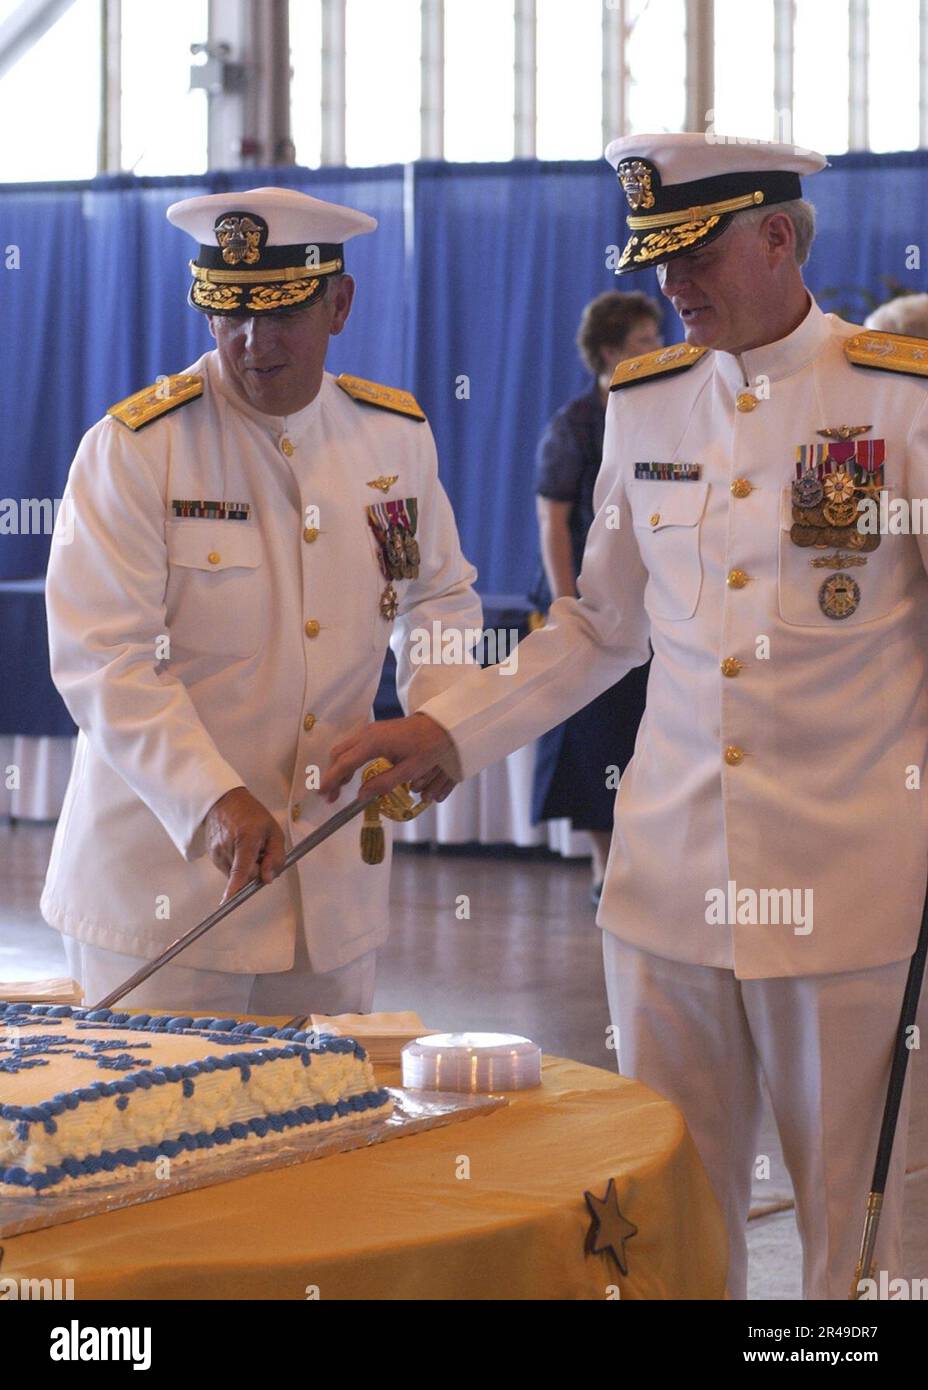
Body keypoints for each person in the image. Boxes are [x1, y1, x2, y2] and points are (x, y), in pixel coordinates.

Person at [320, 135, 928, 1300]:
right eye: (657, 259)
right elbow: (600, 626)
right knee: (663, 1225)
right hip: (666, 888)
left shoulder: (896, 398)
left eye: (694, 253)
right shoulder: (642, 409)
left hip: (853, 893)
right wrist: (448, 730)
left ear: (778, 238)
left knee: (859, 1244)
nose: (672, 285)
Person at [41, 186, 482, 1015]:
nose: (253, 341)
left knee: (317, 1136)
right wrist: (211, 798)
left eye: (281, 313)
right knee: (153, 1139)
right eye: (229, 313)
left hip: (330, 893)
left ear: (340, 304)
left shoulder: (393, 437)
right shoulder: (137, 450)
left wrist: (439, 716)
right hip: (161, 901)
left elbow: (442, 596)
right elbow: (104, 657)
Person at [530, 292, 659, 900]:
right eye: (643, 341)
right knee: (596, 740)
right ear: (610, 352)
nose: (657, 349)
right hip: (588, 604)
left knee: (640, 735)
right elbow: (553, 521)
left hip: (649, 607)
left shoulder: (660, 411)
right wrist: (567, 609)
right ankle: (603, 870)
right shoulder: (575, 423)